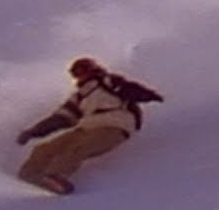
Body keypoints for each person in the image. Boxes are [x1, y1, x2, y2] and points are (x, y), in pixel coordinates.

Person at [15, 57, 162, 195]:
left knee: (80, 148)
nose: (80, 75)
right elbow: (61, 118)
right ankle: (28, 176)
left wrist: (147, 95)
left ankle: (56, 175)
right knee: (44, 149)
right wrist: (32, 132)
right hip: (86, 128)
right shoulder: (79, 97)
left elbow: (129, 88)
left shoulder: (108, 82)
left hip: (114, 126)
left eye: (83, 70)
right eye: (76, 73)